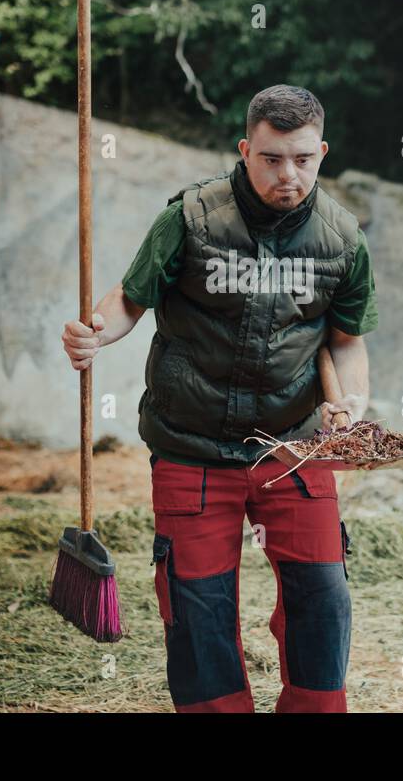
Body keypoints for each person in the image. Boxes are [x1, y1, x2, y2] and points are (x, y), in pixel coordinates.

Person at [60, 84, 378, 712]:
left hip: (296, 447)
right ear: (245, 149)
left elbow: (345, 342)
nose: (288, 174)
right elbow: (130, 300)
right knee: (199, 608)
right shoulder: (191, 218)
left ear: (322, 152)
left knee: (323, 596)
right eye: (271, 158)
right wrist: (95, 334)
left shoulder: (343, 240)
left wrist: (355, 402)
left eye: (303, 159)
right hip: (192, 447)